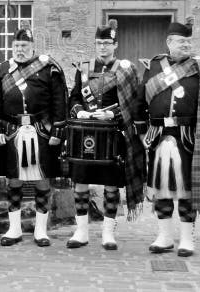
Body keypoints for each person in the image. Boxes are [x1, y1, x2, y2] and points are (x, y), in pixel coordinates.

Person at [136, 18, 200, 257]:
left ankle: (187, 239)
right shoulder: (154, 67)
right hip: (158, 135)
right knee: (161, 188)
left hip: (187, 136)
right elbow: (140, 100)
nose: (186, 45)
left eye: (189, 41)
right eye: (181, 41)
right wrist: (140, 130)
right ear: (169, 42)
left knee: (187, 190)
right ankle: (164, 236)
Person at [66, 19, 147, 250]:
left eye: (107, 43)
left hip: (113, 135)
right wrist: (79, 110)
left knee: (112, 186)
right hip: (85, 135)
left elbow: (134, 104)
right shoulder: (84, 68)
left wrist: (115, 116)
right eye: (99, 43)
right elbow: (74, 97)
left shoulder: (127, 69)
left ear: (115, 44)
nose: (102, 47)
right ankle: (81, 232)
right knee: (80, 183)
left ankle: (108, 233)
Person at [0, 27, 67, 247]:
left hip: (41, 130)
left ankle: (40, 230)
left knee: (42, 179)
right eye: (16, 46)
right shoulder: (4, 68)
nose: (19, 50)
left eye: (24, 46)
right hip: (12, 130)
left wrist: (58, 131)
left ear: (33, 47)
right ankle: (14, 229)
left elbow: (59, 101)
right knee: (12, 179)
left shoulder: (48, 67)